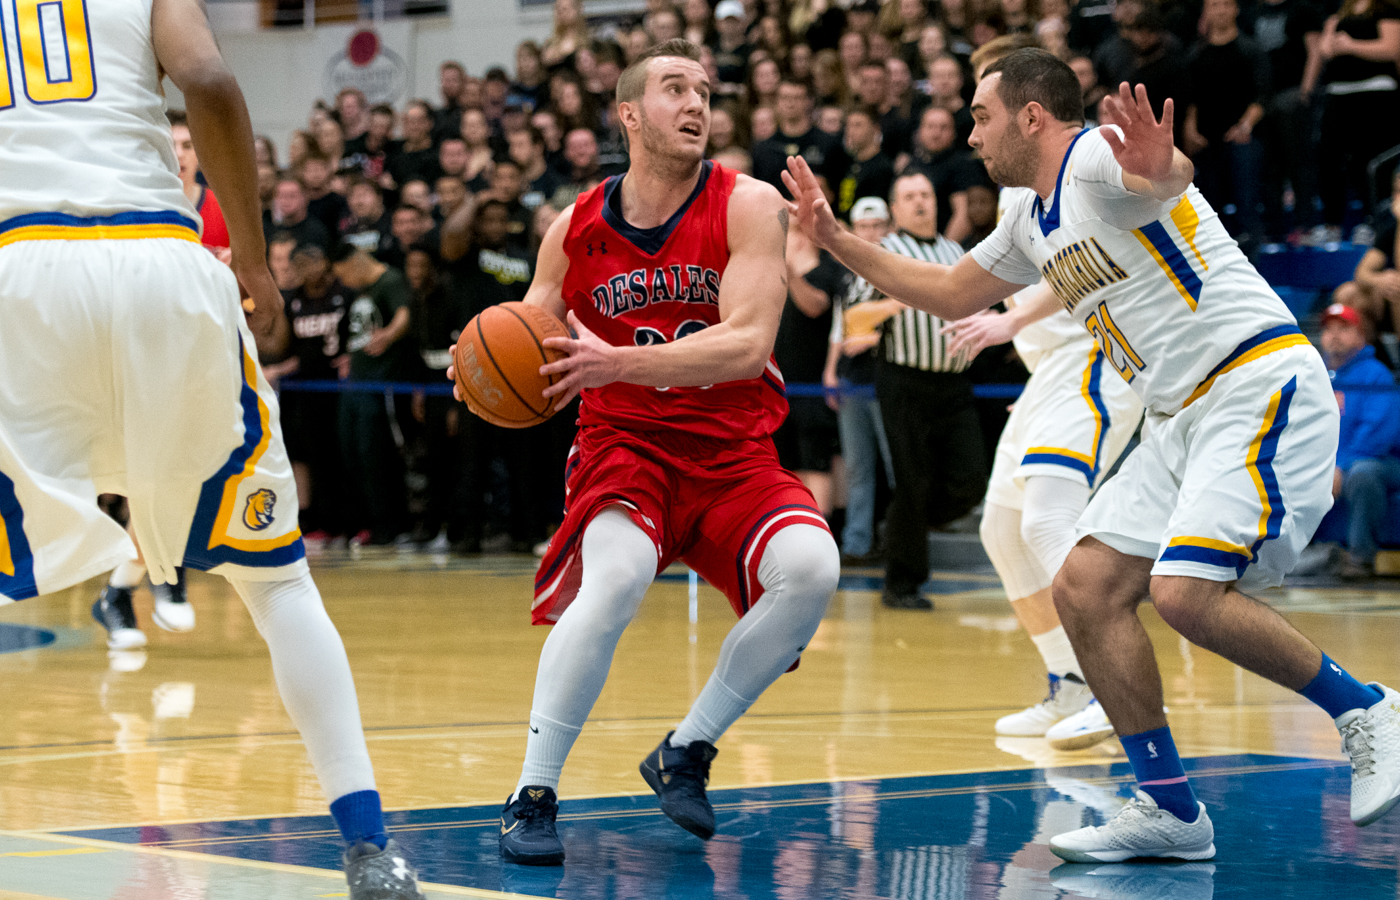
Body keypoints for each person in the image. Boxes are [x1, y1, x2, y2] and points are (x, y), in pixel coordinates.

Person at [785, 48, 1400, 862]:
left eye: (981, 117)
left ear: (1031, 116)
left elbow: (1161, 175)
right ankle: (1170, 810)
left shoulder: (1095, 158)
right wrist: (834, 239)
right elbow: (948, 291)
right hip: (1178, 416)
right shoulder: (1024, 213)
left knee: (1184, 594)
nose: (971, 135)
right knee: (1083, 587)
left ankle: (1367, 709)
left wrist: (1164, 164)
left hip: (1251, 383)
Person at [0, 0, 424, 895]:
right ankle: (368, 848)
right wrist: (257, 260)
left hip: (18, 271)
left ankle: (131, 590)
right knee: (278, 583)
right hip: (159, 264)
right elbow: (209, 81)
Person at [448, 38, 839, 867]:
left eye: (705, 91)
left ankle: (686, 749)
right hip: (624, 445)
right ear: (629, 114)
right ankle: (532, 793)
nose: (696, 103)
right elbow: (533, 337)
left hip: (732, 450)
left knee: (812, 569)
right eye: (675, 89)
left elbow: (747, 346)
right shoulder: (574, 227)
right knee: (617, 577)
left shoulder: (750, 204)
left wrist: (616, 361)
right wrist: (479, 367)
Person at [848, 171, 988, 609]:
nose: (920, 202)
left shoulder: (953, 251)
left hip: (955, 383)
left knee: (971, 479)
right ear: (896, 208)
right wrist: (895, 302)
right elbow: (854, 319)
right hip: (904, 380)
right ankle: (902, 584)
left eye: (925, 193)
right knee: (912, 481)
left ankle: (902, 528)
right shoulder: (884, 252)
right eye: (909, 196)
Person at [820, 197, 898, 562]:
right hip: (852, 379)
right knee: (857, 467)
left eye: (877, 225)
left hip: (889, 376)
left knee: (896, 465)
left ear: (889, 228)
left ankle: (898, 543)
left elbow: (913, 316)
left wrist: (871, 339)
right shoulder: (846, 272)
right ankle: (856, 544)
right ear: (853, 230)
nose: (870, 232)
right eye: (864, 227)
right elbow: (839, 325)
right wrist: (830, 369)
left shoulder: (898, 266)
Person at [1320, 304, 1400, 579]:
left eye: (1344, 328)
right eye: (1329, 329)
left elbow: (1377, 436)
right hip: (1333, 465)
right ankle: (1294, 557)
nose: (1334, 335)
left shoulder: (1377, 374)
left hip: (1383, 462)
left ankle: (1360, 558)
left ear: (1360, 336)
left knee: (1363, 472)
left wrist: (1340, 466)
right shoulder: (1315, 375)